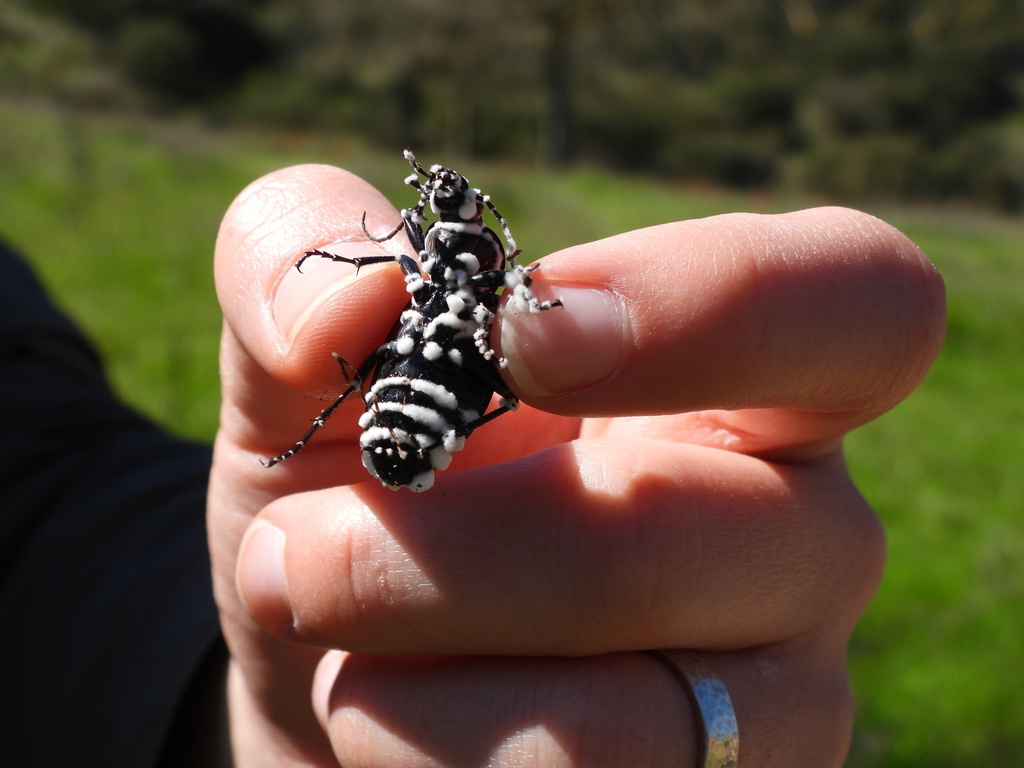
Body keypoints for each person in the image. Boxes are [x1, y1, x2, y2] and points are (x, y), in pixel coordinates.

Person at [1, 161, 945, 767]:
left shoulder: (442, 279)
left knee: (358, 361)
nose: (425, 220)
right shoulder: (467, 279)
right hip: (424, 418)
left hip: (406, 427)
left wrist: (247, 720)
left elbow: (43, 482)